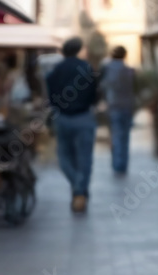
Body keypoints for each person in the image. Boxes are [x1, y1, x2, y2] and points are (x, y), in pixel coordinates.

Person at [46, 37, 99, 213]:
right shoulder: (86, 68)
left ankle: (77, 187)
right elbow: (94, 93)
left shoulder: (56, 70)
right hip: (83, 116)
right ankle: (79, 189)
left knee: (64, 157)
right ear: (78, 50)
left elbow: (50, 93)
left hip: (62, 117)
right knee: (85, 158)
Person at [100, 46, 136, 175]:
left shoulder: (106, 69)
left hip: (114, 106)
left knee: (116, 135)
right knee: (125, 137)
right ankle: (122, 165)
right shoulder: (130, 71)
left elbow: (102, 88)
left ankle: (117, 164)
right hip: (127, 106)